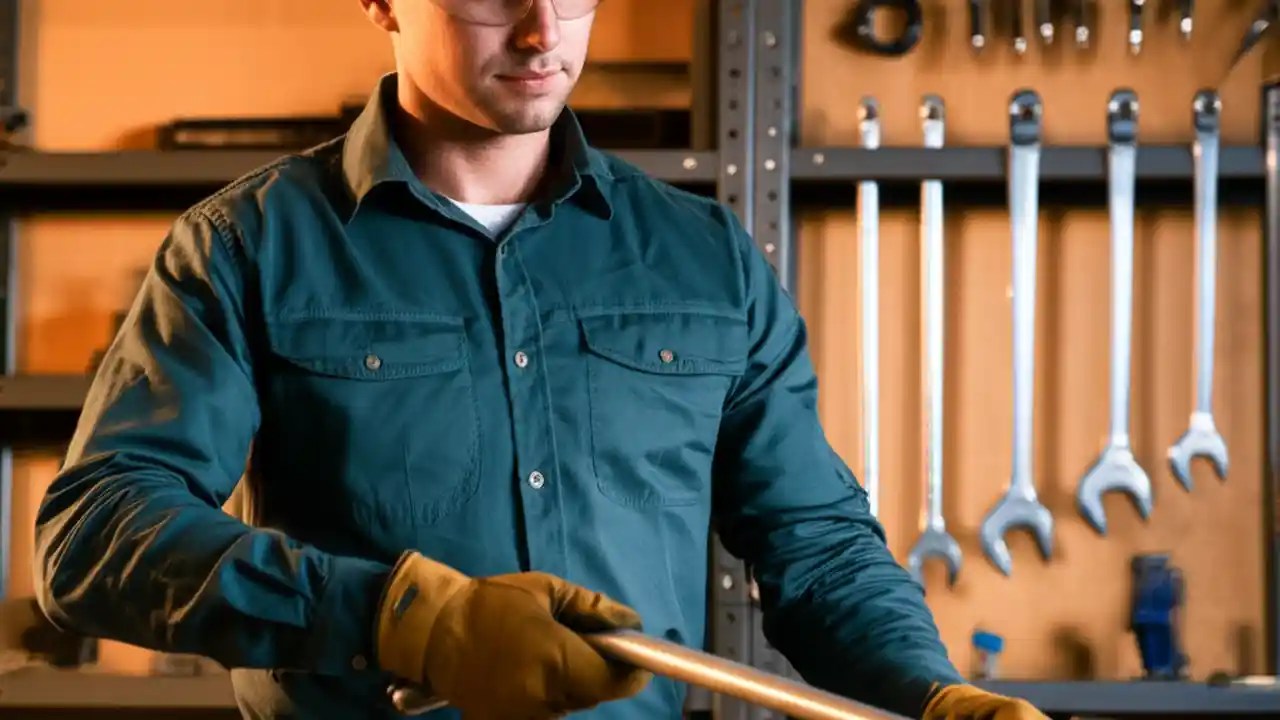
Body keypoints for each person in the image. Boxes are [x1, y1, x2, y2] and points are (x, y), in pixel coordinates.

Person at [32, 1, 1049, 719]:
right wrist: (403, 621)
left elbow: (816, 547)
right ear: (379, 2)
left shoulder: (706, 261)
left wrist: (929, 692)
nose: (540, 29)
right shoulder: (248, 247)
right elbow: (94, 536)